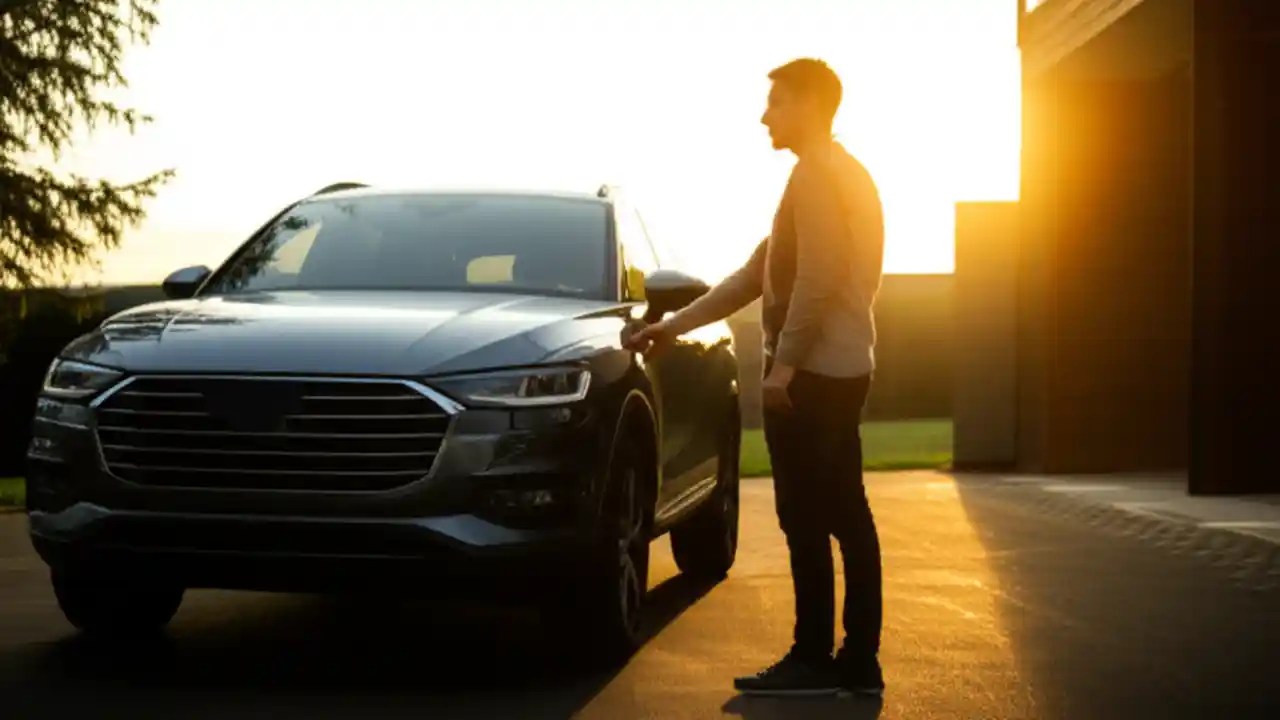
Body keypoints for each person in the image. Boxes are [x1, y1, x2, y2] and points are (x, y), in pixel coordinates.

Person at [624, 58, 886, 697]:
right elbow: (754, 277)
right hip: (829, 370)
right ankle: (841, 660)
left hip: (815, 375)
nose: (765, 115)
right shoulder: (821, 176)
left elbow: (819, 278)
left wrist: (786, 365)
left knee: (822, 513)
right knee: (830, 512)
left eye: (776, 101)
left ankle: (827, 660)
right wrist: (675, 324)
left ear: (809, 106)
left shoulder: (821, 176)